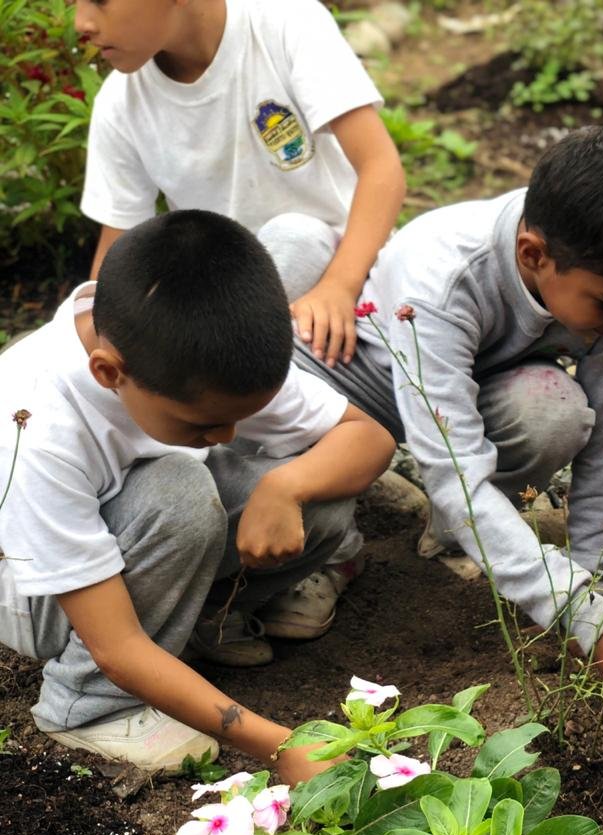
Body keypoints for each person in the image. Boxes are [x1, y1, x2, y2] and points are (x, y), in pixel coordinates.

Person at [291, 119, 603, 698]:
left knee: (553, 412)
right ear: (533, 255)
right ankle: (337, 549)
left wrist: (595, 590)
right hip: (361, 390)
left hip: (472, 390)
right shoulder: (444, 277)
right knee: (370, 487)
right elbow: (454, 468)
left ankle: (460, 533)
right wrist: (568, 605)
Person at [0, 210, 396, 781]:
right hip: (39, 599)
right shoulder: (37, 423)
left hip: (138, 540)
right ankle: (87, 706)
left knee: (319, 499)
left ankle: (196, 625)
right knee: (180, 493)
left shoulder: (201, 346)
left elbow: (369, 439)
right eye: (203, 425)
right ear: (110, 373)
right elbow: (115, 644)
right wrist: (279, 746)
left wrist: (284, 487)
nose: (228, 436)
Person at [75, 0, 405, 638]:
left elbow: (381, 169)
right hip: (228, 323)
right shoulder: (123, 102)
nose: (82, 24)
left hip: (339, 298)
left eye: (99, 1)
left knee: (295, 238)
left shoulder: (282, 23)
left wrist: (340, 284)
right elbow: (116, 263)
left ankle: (325, 549)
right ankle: (230, 579)